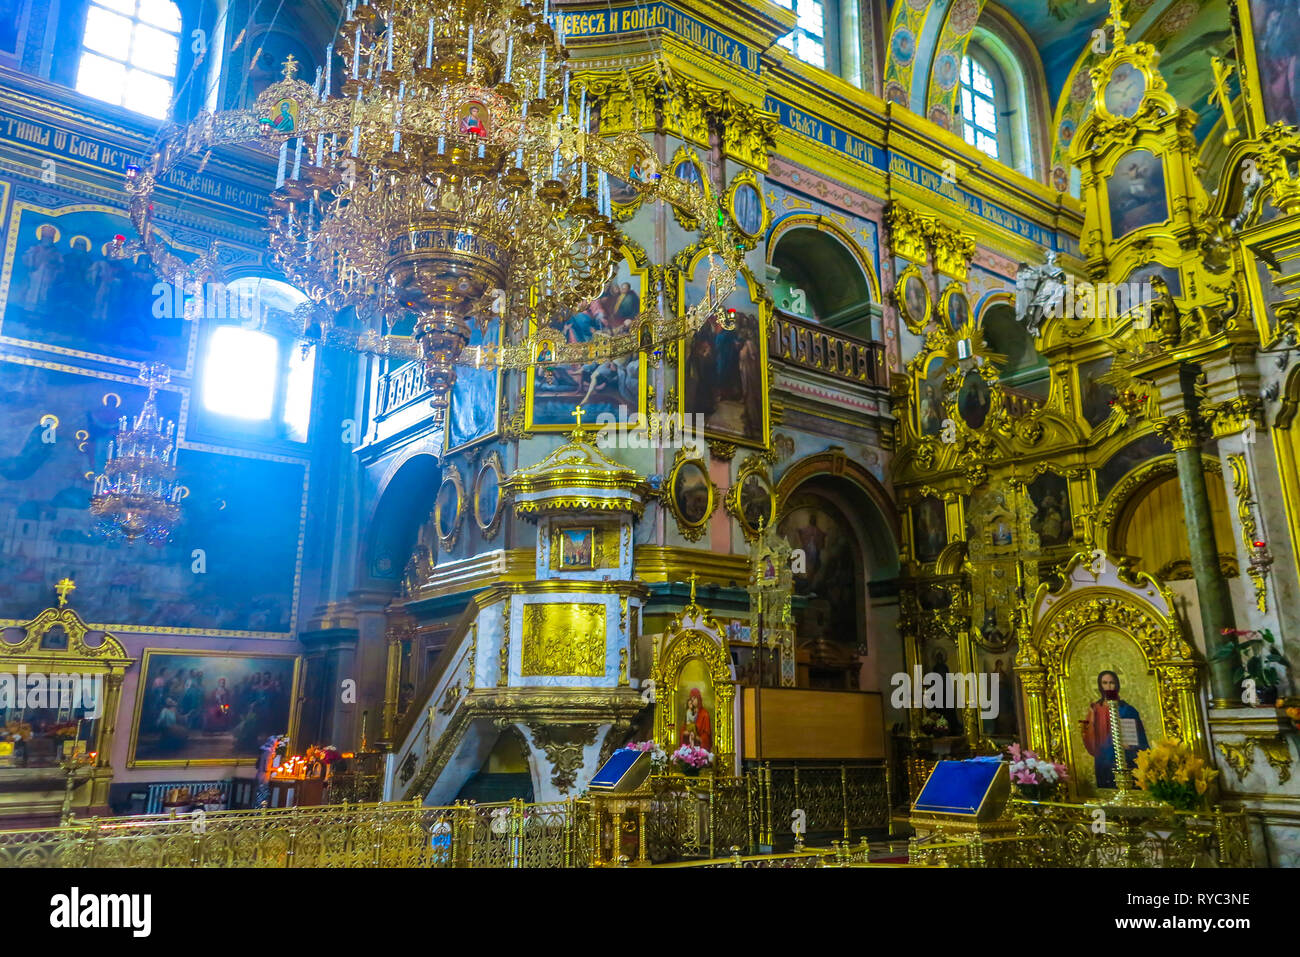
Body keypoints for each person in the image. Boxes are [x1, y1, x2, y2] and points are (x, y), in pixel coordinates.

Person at [1080, 670, 1149, 788]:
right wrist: (1089, 724)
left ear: (1117, 685)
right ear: (1100, 686)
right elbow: (1091, 742)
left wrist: (1132, 746)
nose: (1108, 686)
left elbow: (1140, 738)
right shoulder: (1095, 710)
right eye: (1105, 683)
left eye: (1111, 683)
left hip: (1125, 758)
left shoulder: (1127, 709)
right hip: (1103, 761)